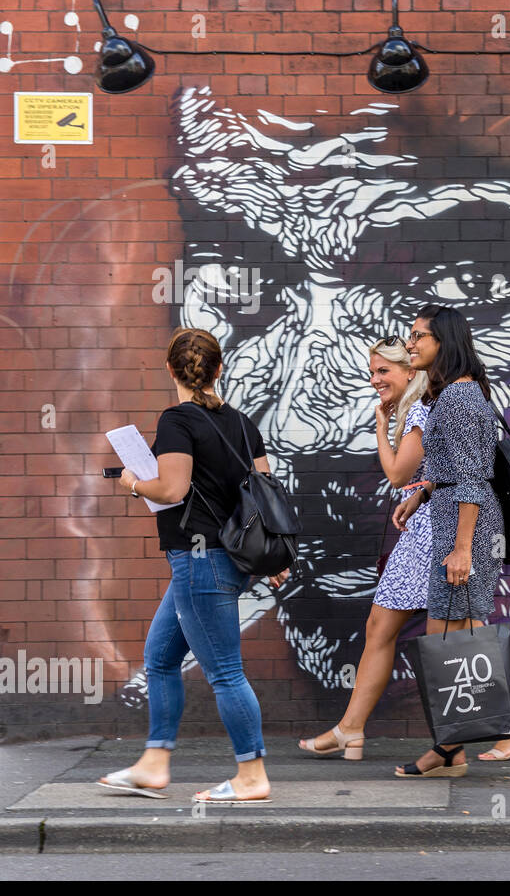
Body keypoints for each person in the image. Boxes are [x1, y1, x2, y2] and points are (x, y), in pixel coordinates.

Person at [98, 327, 288, 804]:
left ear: (170, 370)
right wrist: (270, 561)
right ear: (220, 368)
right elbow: (265, 494)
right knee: (160, 658)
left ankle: (252, 774)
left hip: (201, 560)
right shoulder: (244, 423)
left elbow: (173, 490)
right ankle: (154, 763)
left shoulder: (177, 421)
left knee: (224, 671)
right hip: (227, 559)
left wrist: (132, 484)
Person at [391, 305, 510, 776]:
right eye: (410, 336)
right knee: (458, 644)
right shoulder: (450, 395)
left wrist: (463, 547)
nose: (410, 344)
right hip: (453, 516)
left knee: (454, 645)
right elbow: (453, 466)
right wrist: (423, 492)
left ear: (444, 343)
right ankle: (454, 748)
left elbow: (472, 477)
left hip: (468, 526)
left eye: (418, 336)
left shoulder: (461, 397)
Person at [297, 338, 435, 760]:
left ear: (409, 371)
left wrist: (379, 426)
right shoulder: (420, 408)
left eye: (383, 371)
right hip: (425, 528)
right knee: (390, 627)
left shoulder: (419, 410)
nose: (374, 379)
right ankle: (351, 729)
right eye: (372, 371)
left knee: (456, 634)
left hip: (430, 534)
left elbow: (397, 474)